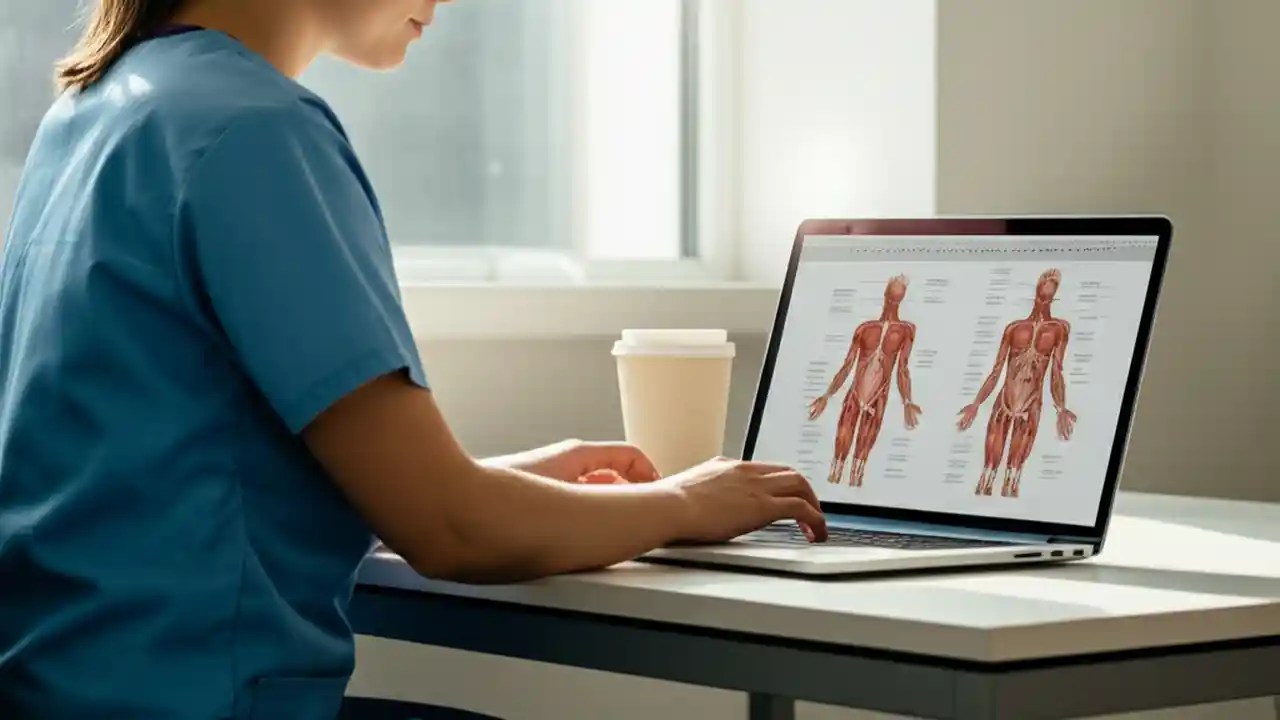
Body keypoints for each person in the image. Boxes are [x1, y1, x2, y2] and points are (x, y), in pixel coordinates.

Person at [0, 1, 828, 718]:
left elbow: (175, 481)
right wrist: (684, 502)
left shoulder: (95, 113)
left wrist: (503, 479)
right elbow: (453, 530)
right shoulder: (254, 129)